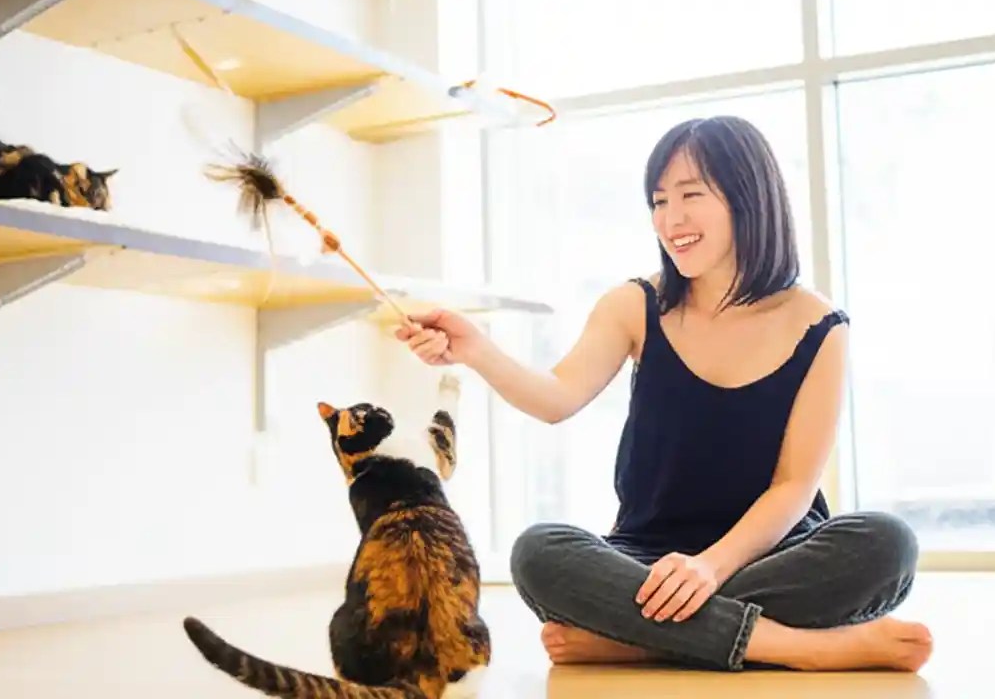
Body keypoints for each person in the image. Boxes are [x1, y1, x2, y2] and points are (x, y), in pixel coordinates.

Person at [393, 116, 933, 673]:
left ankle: (637, 640)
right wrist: (475, 349)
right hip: (647, 557)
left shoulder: (818, 325)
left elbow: (795, 485)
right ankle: (798, 647)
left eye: (691, 195)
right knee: (539, 552)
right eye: (657, 201)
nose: (671, 219)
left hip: (771, 553)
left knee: (886, 545)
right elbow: (556, 398)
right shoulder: (635, 305)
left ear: (748, 198)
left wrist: (711, 569)